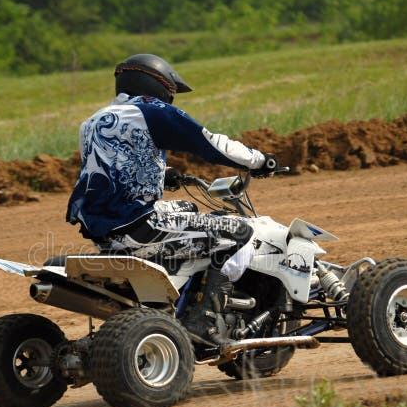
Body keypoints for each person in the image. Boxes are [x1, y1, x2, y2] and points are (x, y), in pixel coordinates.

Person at [65, 54, 274, 342]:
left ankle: (176, 290)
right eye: (171, 92)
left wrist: (162, 174)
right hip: (140, 226)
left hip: (105, 233)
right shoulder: (151, 110)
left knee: (187, 207)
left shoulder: (92, 121)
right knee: (239, 232)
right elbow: (211, 143)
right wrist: (259, 161)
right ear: (158, 85)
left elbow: (110, 166)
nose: (171, 98)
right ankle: (205, 322)